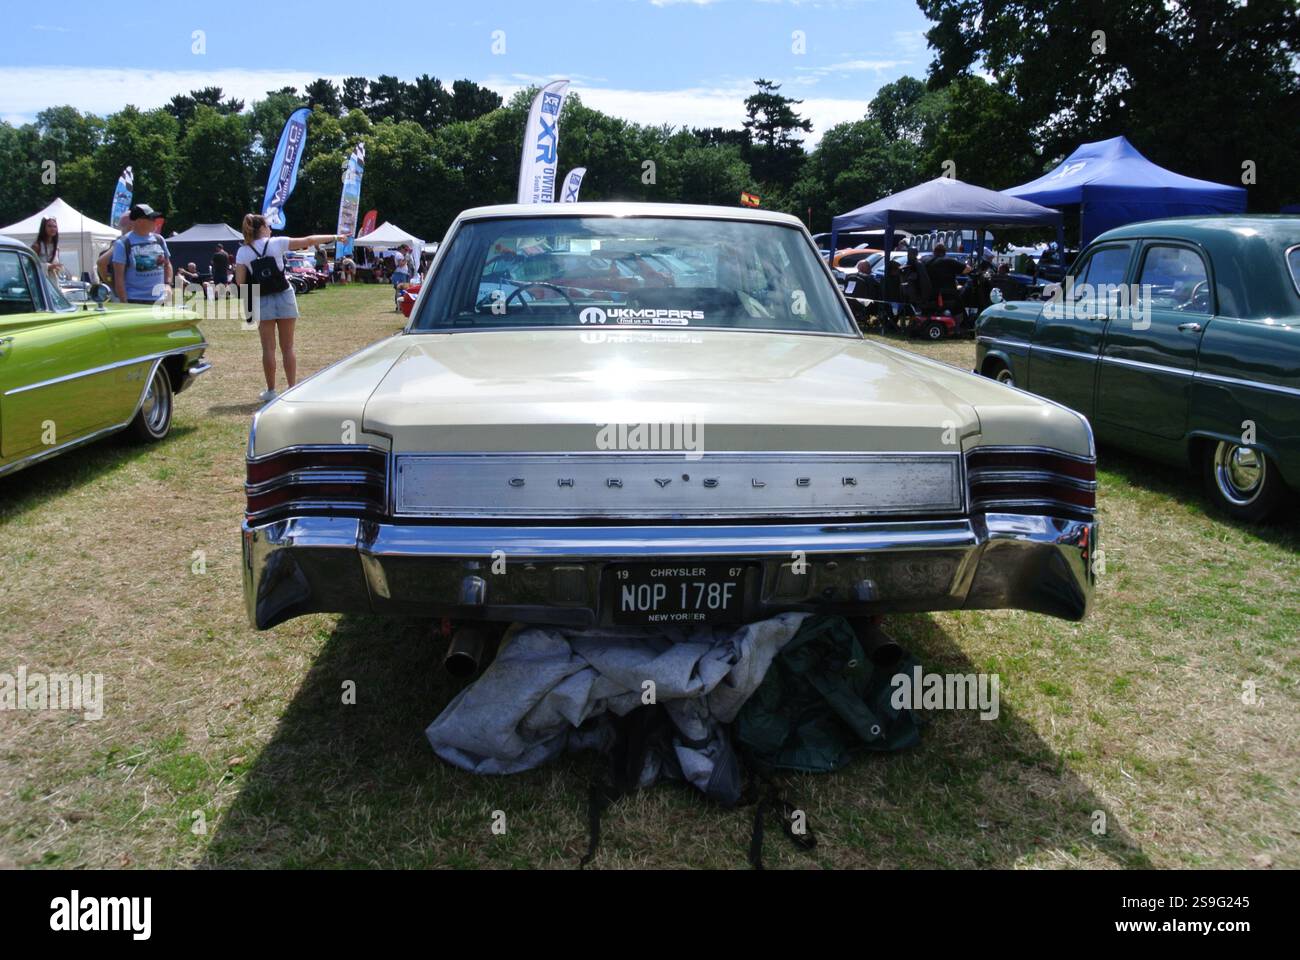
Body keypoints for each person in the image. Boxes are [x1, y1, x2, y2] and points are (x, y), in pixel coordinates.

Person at [234, 212, 346, 403]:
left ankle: (271, 390)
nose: (270, 229)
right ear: (262, 228)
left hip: (262, 299)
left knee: (268, 349)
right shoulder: (277, 243)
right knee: (288, 347)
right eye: (268, 226)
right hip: (285, 295)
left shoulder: (243, 251)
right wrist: (335, 237)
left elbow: (240, 281)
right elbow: (309, 240)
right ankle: (292, 388)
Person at [111, 204, 172, 304]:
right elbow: (119, 279)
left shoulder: (159, 239)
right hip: (135, 301)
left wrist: (168, 284)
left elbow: (167, 264)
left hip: (160, 300)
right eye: (151, 218)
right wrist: (124, 303)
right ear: (139, 221)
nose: (155, 221)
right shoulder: (123, 244)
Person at [32, 217, 63, 281]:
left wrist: (57, 268)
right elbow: (31, 265)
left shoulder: (56, 248)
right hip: (40, 282)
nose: (53, 229)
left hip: (53, 282)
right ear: (44, 228)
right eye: (49, 226)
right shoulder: (37, 246)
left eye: (55, 226)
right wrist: (48, 267)